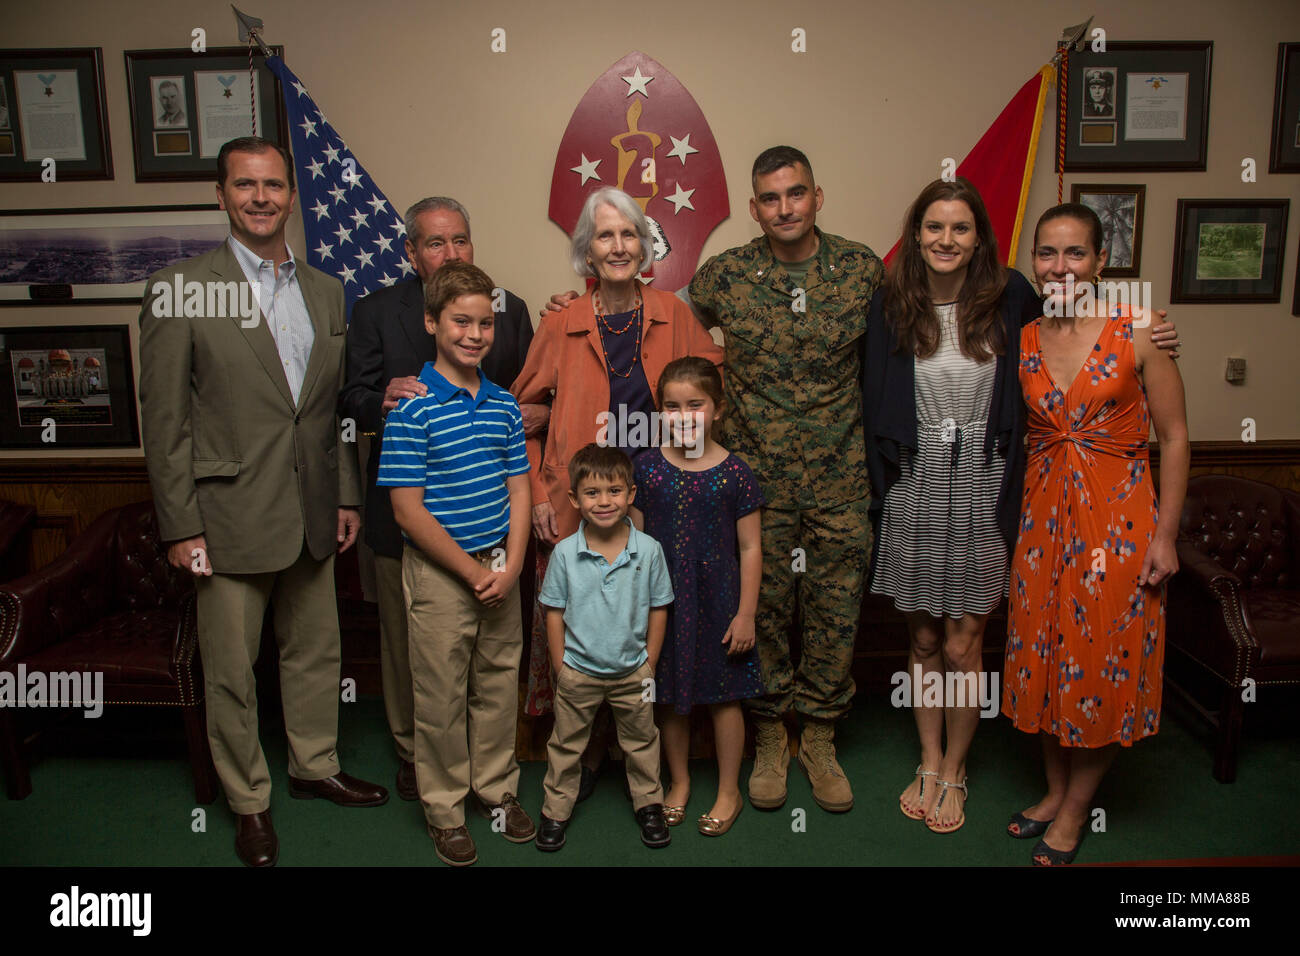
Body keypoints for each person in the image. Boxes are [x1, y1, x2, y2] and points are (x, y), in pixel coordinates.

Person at [138, 136, 386, 868]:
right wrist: (181, 526)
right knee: (230, 670)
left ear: (290, 195)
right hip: (225, 518)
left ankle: (314, 766)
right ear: (221, 195)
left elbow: (328, 408)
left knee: (314, 653)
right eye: (245, 185)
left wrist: (344, 493)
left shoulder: (325, 290)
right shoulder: (180, 287)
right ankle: (249, 800)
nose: (260, 198)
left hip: (312, 511)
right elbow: (164, 423)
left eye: (274, 185)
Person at [688, 146, 881, 813]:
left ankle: (820, 736)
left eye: (795, 194)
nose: (785, 208)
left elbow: (917, 332)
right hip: (756, 482)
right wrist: (580, 298)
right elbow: (673, 334)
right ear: (754, 208)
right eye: (770, 198)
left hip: (840, 477)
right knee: (762, 609)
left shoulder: (861, 271)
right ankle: (771, 734)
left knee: (834, 610)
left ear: (817, 197)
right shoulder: (724, 276)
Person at [511, 185, 722, 790]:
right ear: (588, 250)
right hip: (578, 502)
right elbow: (518, 413)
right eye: (605, 235)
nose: (619, 245)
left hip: (658, 501)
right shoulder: (563, 322)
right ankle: (585, 745)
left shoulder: (675, 315)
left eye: (629, 233)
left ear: (646, 245)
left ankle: (645, 745)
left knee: (647, 616)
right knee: (579, 621)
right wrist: (541, 490)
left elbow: (711, 385)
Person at [340, 196, 543, 802]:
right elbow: (347, 398)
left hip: (491, 519)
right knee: (417, 661)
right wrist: (381, 397)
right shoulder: (376, 311)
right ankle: (419, 760)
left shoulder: (509, 309)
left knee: (491, 667)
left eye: (460, 239)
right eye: (435, 242)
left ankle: (489, 779)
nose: (450, 251)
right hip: (411, 517)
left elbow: (527, 390)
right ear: (411, 252)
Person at [1003, 203, 1189, 865]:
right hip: (1041, 527)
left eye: (1074, 253)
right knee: (1047, 662)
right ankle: (1055, 790)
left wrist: (1165, 538)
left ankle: (1077, 810)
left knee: (1100, 667)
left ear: (1100, 261)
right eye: (1047, 254)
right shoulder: (1023, 338)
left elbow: (1174, 437)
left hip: (1120, 526)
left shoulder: (1138, 331)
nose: (1059, 266)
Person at [864, 178, 1041, 834]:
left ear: (978, 238)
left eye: (959, 228)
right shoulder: (891, 303)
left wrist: (1147, 325)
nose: (945, 240)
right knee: (924, 636)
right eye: (933, 227)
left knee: (967, 642)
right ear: (916, 236)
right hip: (914, 484)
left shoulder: (1013, 295)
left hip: (985, 484)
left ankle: (959, 768)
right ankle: (929, 757)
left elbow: (1078, 326)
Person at [378, 261, 534, 867]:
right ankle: (443, 808)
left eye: (485, 323)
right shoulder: (412, 407)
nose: (474, 334)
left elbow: (520, 490)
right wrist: (472, 575)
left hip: (501, 566)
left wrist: (514, 565)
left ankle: (497, 791)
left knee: (496, 685)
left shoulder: (502, 405)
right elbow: (407, 512)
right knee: (441, 695)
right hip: (444, 576)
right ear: (431, 322)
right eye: (460, 322)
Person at [630, 357, 764, 836]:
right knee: (669, 695)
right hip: (665, 605)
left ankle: (729, 790)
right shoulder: (645, 469)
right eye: (671, 406)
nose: (682, 415)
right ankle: (680, 781)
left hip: (721, 600)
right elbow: (636, 547)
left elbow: (750, 548)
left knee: (725, 697)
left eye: (695, 405)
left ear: (718, 409)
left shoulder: (736, 473)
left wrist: (746, 612)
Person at [535, 443, 675, 852]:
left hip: (633, 671)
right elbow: (554, 612)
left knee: (642, 741)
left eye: (614, 491)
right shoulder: (564, 553)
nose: (604, 501)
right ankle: (555, 811)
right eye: (592, 493)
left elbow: (659, 607)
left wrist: (649, 663)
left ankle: (649, 805)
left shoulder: (648, 550)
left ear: (630, 495)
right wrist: (561, 667)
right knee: (565, 745)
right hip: (578, 671)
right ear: (575, 500)